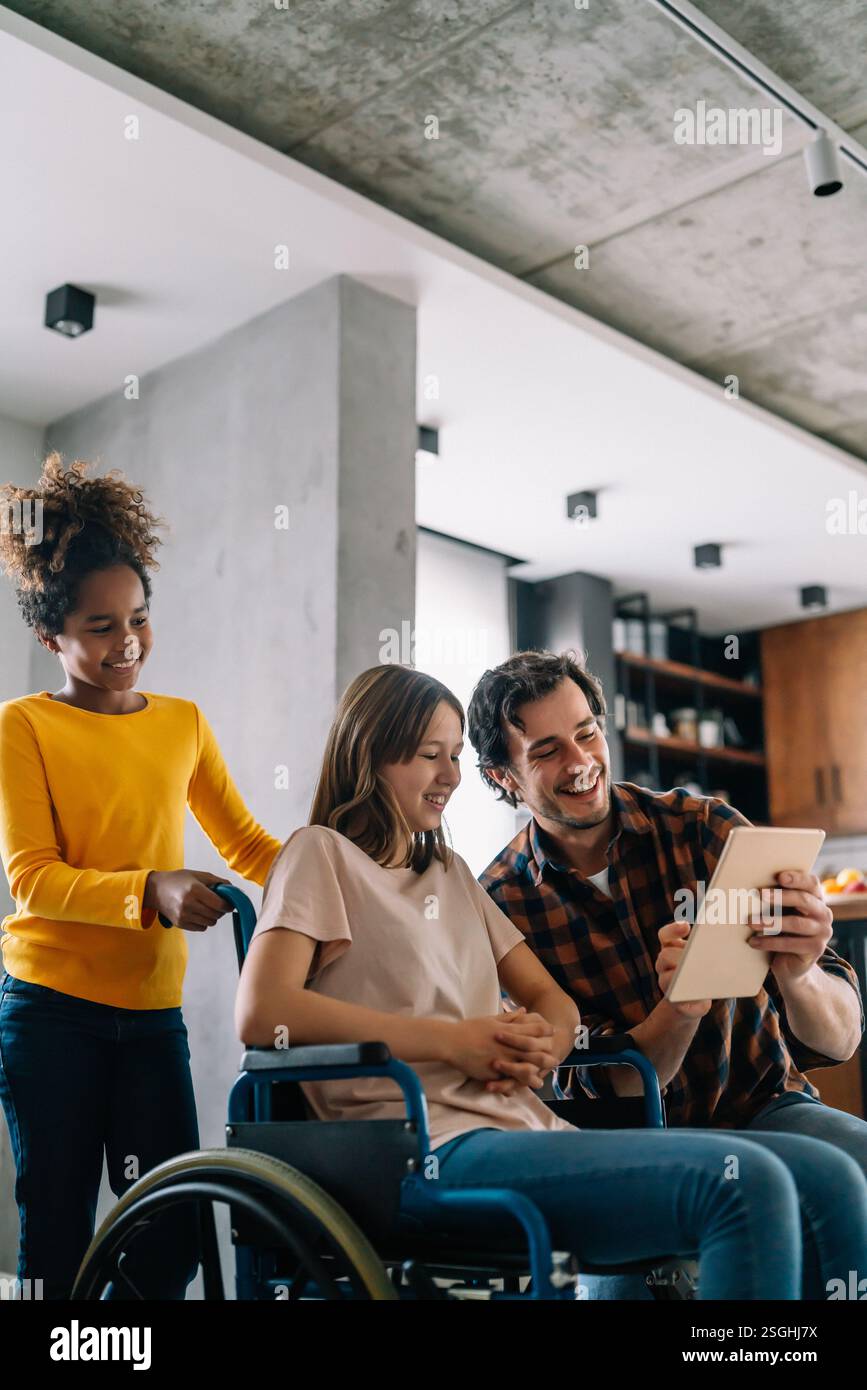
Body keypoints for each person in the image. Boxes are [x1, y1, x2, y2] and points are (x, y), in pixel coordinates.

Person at [235, 662, 867, 1299]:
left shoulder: (450, 875)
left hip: (546, 1124)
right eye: (432, 755)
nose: (449, 775)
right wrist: (454, 1041)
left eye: (587, 733)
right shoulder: (325, 853)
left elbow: (552, 1006)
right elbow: (264, 1012)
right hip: (437, 1143)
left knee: (806, 1174)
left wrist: (543, 1041)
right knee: (748, 1185)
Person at [0, 453, 283, 1300]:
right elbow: (32, 881)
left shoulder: (183, 724)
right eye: (99, 627)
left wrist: (342, 875)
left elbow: (248, 846)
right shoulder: (22, 727)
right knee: (55, 1230)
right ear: (52, 635)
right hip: (49, 1012)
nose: (127, 642)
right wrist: (150, 888)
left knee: (173, 1237)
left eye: (140, 618)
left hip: (150, 1018)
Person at [467, 649, 867, 1187]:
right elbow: (610, 1088)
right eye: (547, 751)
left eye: (587, 734)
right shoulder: (498, 904)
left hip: (766, 1114)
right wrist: (678, 1010)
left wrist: (800, 972)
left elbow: (840, 1042)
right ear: (504, 777)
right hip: (629, 1152)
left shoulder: (705, 829)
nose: (581, 762)